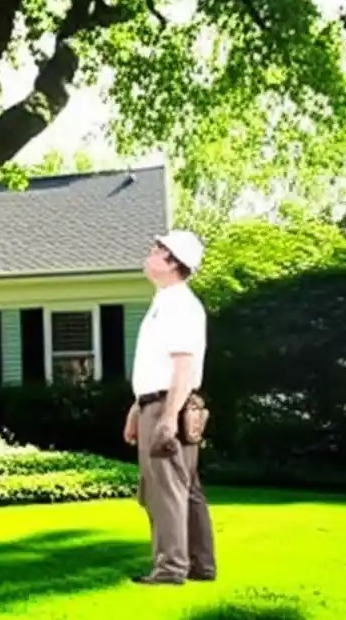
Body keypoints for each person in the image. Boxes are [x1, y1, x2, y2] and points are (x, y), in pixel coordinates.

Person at [124, 229, 217, 586]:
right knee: (185, 486)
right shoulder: (166, 302)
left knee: (165, 489)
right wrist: (137, 408)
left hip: (169, 404)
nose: (149, 254)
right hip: (158, 401)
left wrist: (166, 418)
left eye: (156, 249)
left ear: (172, 262)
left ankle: (170, 568)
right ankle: (200, 564)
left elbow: (183, 367)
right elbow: (158, 366)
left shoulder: (179, 305)